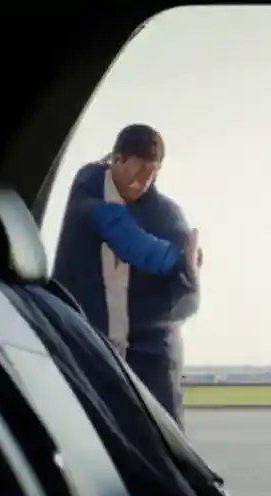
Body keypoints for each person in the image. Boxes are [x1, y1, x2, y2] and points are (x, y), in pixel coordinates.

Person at [51, 123, 202, 426]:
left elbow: (190, 298)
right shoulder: (88, 191)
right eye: (137, 171)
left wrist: (185, 275)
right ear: (117, 159)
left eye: (152, 173)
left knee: (164, 441)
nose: (143, 182)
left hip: (151, 353)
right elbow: (124, 236)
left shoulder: (166, 216)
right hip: (89, 345)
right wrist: (177, 258)